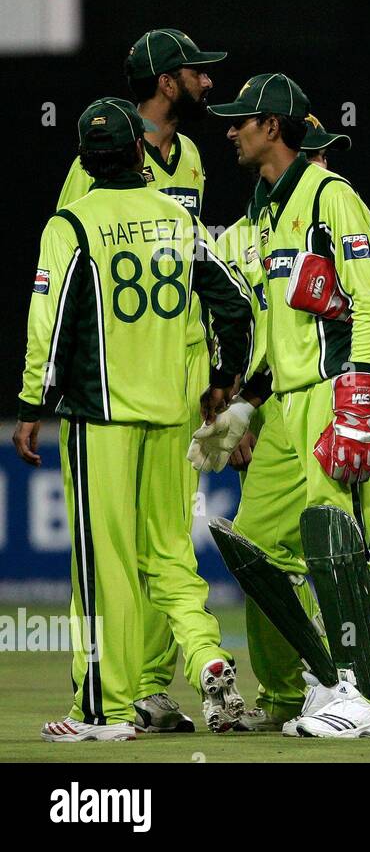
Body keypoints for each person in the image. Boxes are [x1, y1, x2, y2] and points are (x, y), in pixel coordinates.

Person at [14, 98, 253, 741]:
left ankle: (101, 711)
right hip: (171, 413)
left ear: (87, 161)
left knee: (102, 562)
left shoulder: (73, 222)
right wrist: (223, 383)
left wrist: (33, 403)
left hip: (102, 415)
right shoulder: (176, 216)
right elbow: (233, 304)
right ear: (138, 156)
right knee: (165, 554)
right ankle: (180, 670)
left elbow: (50, 322)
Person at [194, 113, 370, 733]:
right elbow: (270, 333)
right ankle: (292, 691)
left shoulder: (333, 203)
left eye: (326, 150)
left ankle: (369, 690)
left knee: (340, 544)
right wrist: (241, 407)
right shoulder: (257, 225)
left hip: (335, 390)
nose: (322, 160)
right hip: (283, 400)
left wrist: (367, 401)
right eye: (315, 150)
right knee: (260, 548)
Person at [55, 27, 227, 736]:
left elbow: (202, 271)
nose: (207, 82)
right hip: (113, 383)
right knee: (114, 544)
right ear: (164, 82)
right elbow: (69, 270)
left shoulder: (188, 157)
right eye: (194, 71)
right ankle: (112, 685)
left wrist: (214, 370)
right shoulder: (89, 167)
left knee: (160, 539)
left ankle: (149, 685)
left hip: (178, 373)